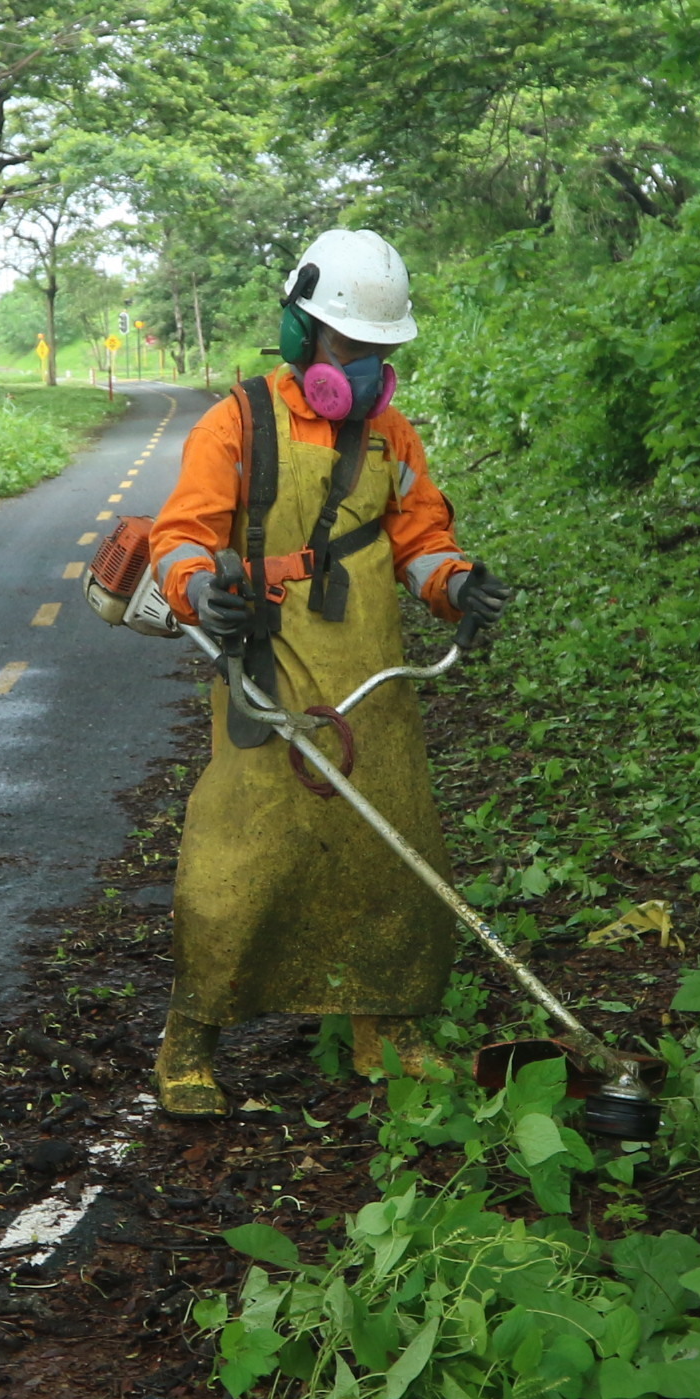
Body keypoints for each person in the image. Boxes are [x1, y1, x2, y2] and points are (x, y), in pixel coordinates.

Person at [142, 231, 513, 1115]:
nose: (370, 373)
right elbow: (180, 537)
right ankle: (191, 1033)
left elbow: (421, 542)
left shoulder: (391, 436)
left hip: (371, 677)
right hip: (271, 675)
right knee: (240, 851)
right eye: (354, 352)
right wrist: (201, 593)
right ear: (302, 336)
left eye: (382, 356)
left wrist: (460, 587)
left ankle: (387, 1024)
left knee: (393, 846)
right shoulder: (237, 421)